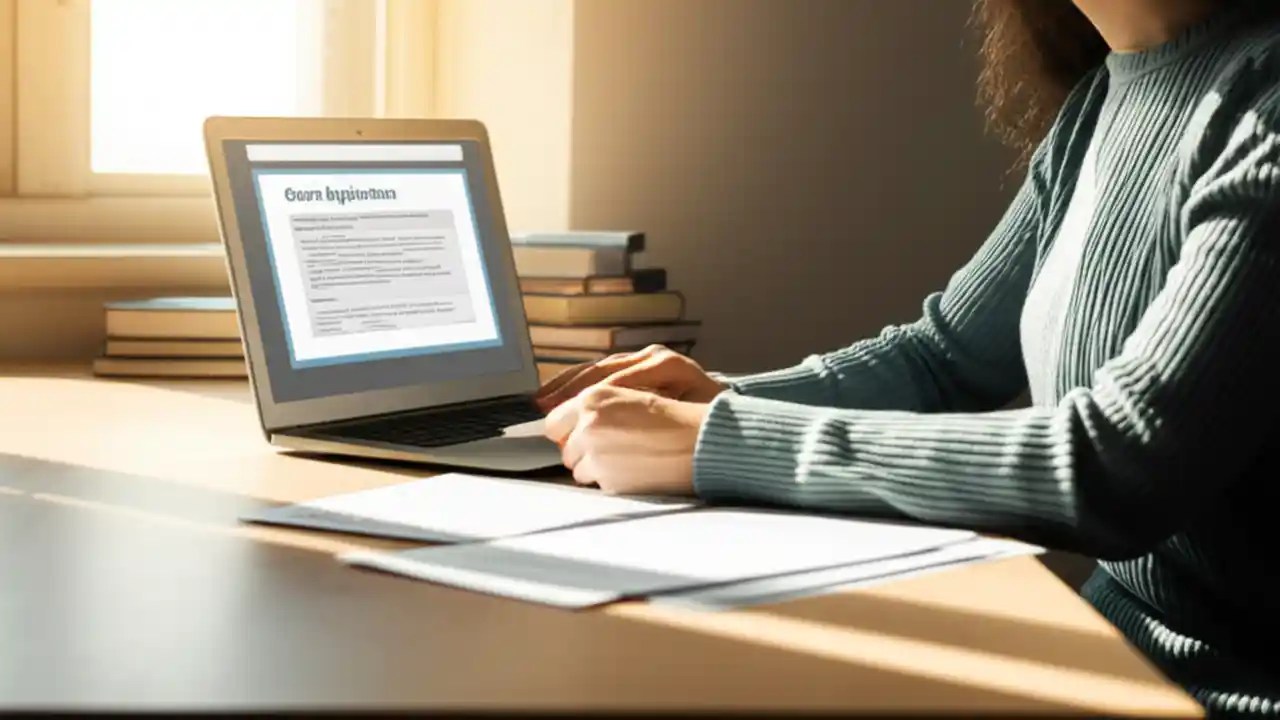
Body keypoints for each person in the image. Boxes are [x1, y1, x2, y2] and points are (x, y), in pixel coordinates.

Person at [535, 0, 1280, 716]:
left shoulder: (1266, 103)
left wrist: (717, 439)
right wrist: (721, 397)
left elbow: (1116, 467)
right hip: (1110, 662)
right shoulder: (1101, 103)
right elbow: (945, 358)